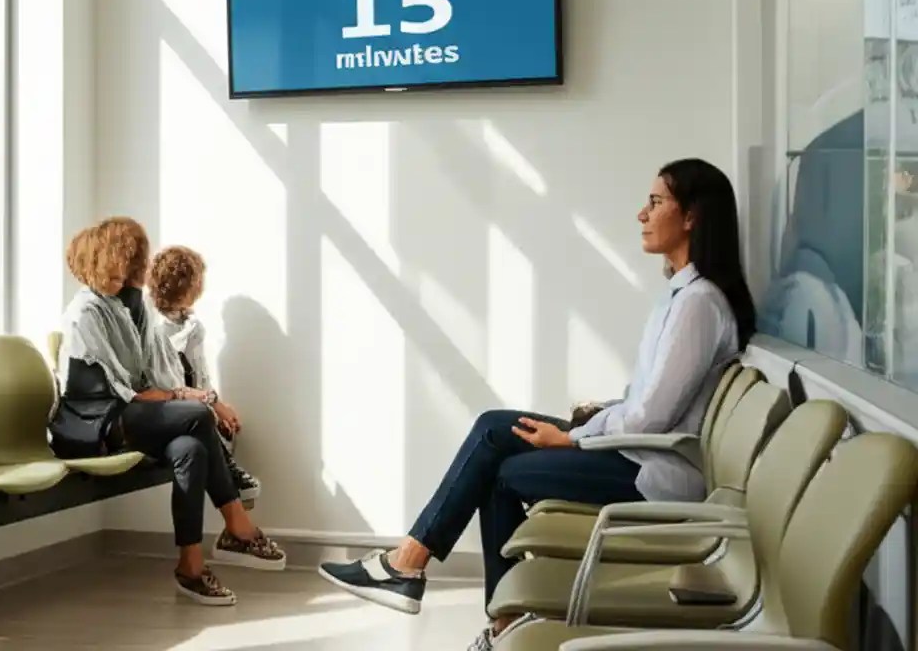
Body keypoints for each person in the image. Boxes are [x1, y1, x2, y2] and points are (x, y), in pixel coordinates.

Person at [317, 158, 756, 650]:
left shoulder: (697, 303)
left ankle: (436, 582)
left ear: (692, 215)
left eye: (655, 202)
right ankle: (457, 594)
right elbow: (647, 401)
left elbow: (651, 417)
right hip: (637, 451)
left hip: (652, 473)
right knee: (494, 430)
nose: (642, 213)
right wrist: (596, 416)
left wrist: (571, 437)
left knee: (499, 468)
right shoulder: (680, 297)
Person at [51, 223, 286, 607]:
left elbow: (153, 378)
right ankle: (237, 526)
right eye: (121, 262)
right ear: (98, 261)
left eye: (131, 262)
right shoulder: (84, 313)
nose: (132, 270)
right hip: (95, 425)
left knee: (191, 449)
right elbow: (129, 391)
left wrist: (185, 395)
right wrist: (192, 398)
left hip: (132, 415)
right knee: (198, 416)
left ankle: (191, 566)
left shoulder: (128, 306)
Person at [146, 245, 262, 503]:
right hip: (162, 409)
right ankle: (233, 487)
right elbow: (168, 385)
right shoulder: (153, 327)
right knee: (201, 432)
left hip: (191, 406)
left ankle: (234, 510)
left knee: (214, 435)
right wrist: (213, 405)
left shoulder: (192, 325)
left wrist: (217, 408)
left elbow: (201, 377)